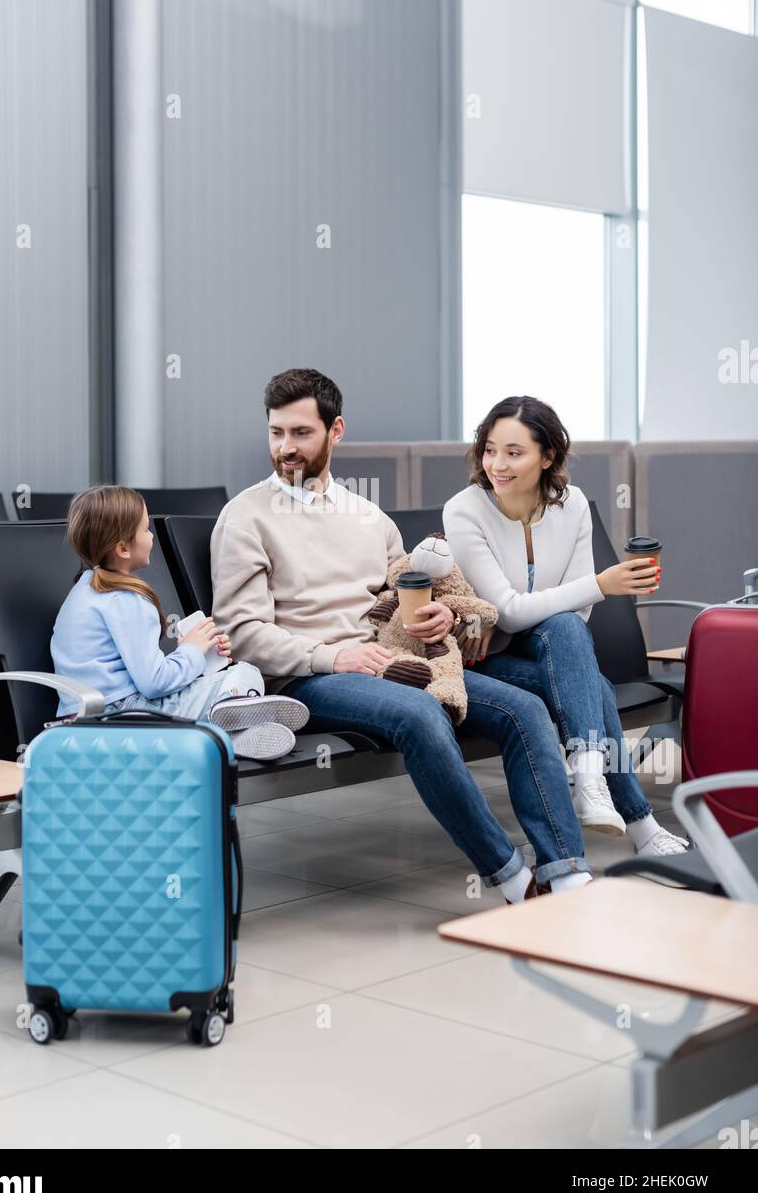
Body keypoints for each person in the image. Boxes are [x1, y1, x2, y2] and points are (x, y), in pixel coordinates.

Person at [211, 368, 594, 900]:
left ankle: (567, 873)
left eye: (301, 433)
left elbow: (414, 594)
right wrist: (332, 657)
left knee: (524, 711)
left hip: (394, 661)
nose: (286, 448)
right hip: (308, 677)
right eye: (277, 433)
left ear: (335, 430)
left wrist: (443, 617)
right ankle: (510, 875)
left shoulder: (369, 518)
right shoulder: (244, 518)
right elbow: (242, 632)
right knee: (420, 712)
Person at [443, 395, 687, 859]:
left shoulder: (571, 504)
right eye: (490, 449)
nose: (498, 463)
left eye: (514, 453)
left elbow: (576, 615)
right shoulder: (464, 510)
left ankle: (590, 778)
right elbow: (508, 612)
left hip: (548, 647)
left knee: (566, 629)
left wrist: (585, 591)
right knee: (590, 685)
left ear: (547, 455)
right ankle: (637, 820)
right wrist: (600, 583)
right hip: (484, 660)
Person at [51, 485, 308, 760]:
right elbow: (154, 684)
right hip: (127, 719)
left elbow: (136, 673)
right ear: (123, 548)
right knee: (245, 673)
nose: (151, 536)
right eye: (145, 529)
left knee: (224, 676)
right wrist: (192, 652)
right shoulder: (126, 600)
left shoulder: (83, 591)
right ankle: (226, 721)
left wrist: (190, 652)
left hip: (82, 719)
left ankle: (233, 733)